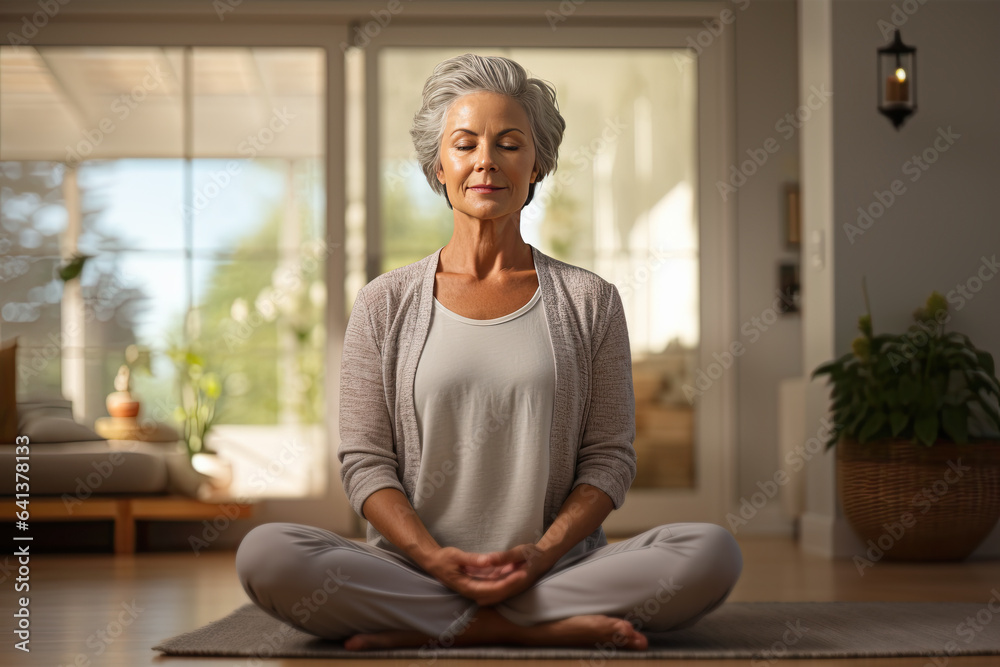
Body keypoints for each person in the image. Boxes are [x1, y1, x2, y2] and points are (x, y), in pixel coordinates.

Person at [235, 52, 742, 652]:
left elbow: (609, 459)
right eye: (464, 143)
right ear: (436, 166)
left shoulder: (591, 302)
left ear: (537, 164)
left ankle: (438, 626)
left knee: (710, 552)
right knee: (267, 554)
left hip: (556, 568)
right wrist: (433, 558)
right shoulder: (384, 302)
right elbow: (365, 463)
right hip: (413, 568)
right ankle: (539, 628)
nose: (485, 161)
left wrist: (542, 553)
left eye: (508, 143)